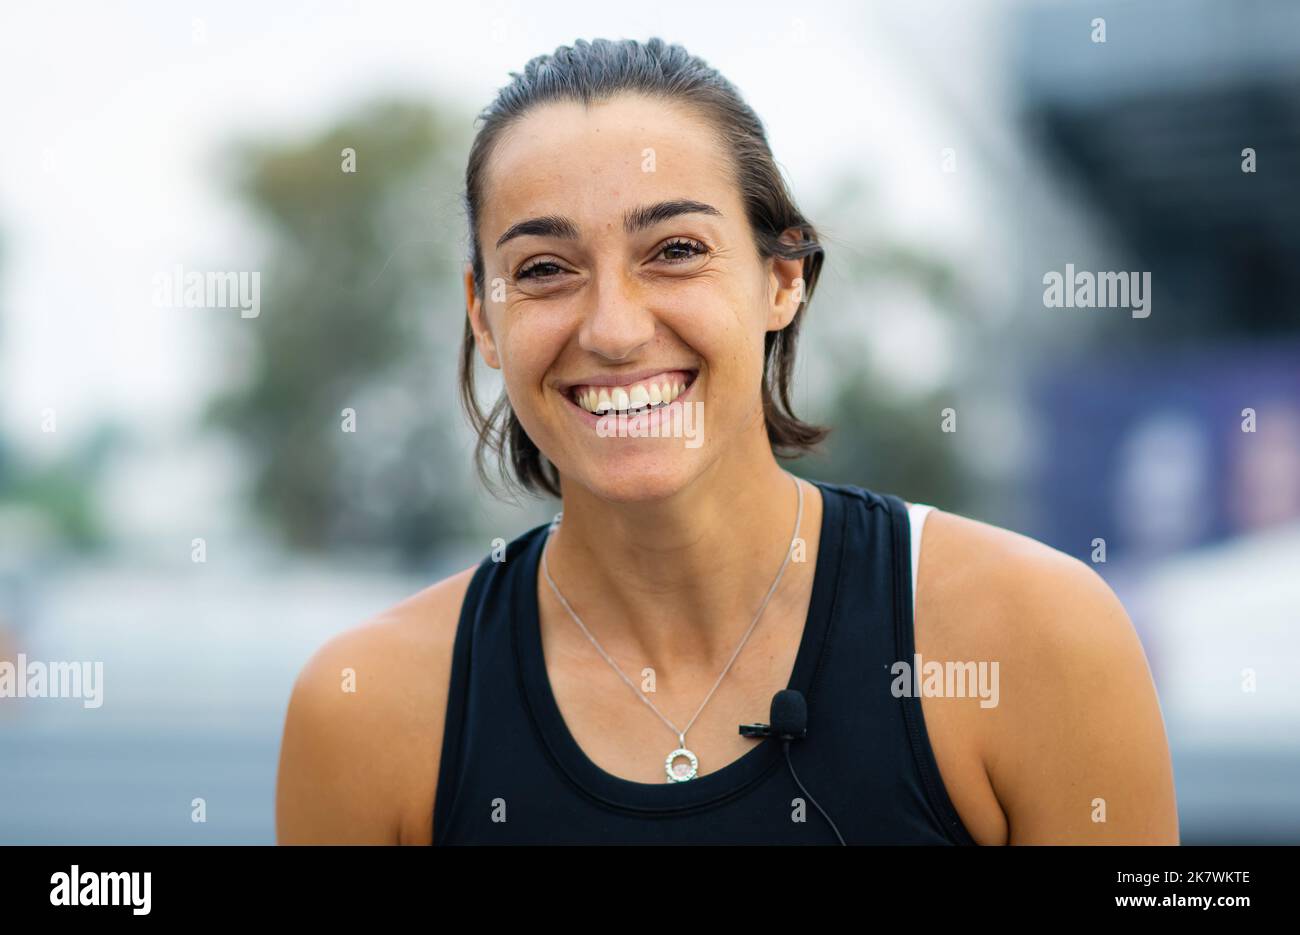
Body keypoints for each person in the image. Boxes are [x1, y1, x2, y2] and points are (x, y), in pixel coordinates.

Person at [275, 37, 1179, 845]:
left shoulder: (1035, 637)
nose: (616, 329)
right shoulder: (371, 709)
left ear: (782, 278)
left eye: (674, 250)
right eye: (545, 270)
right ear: (483, 315)